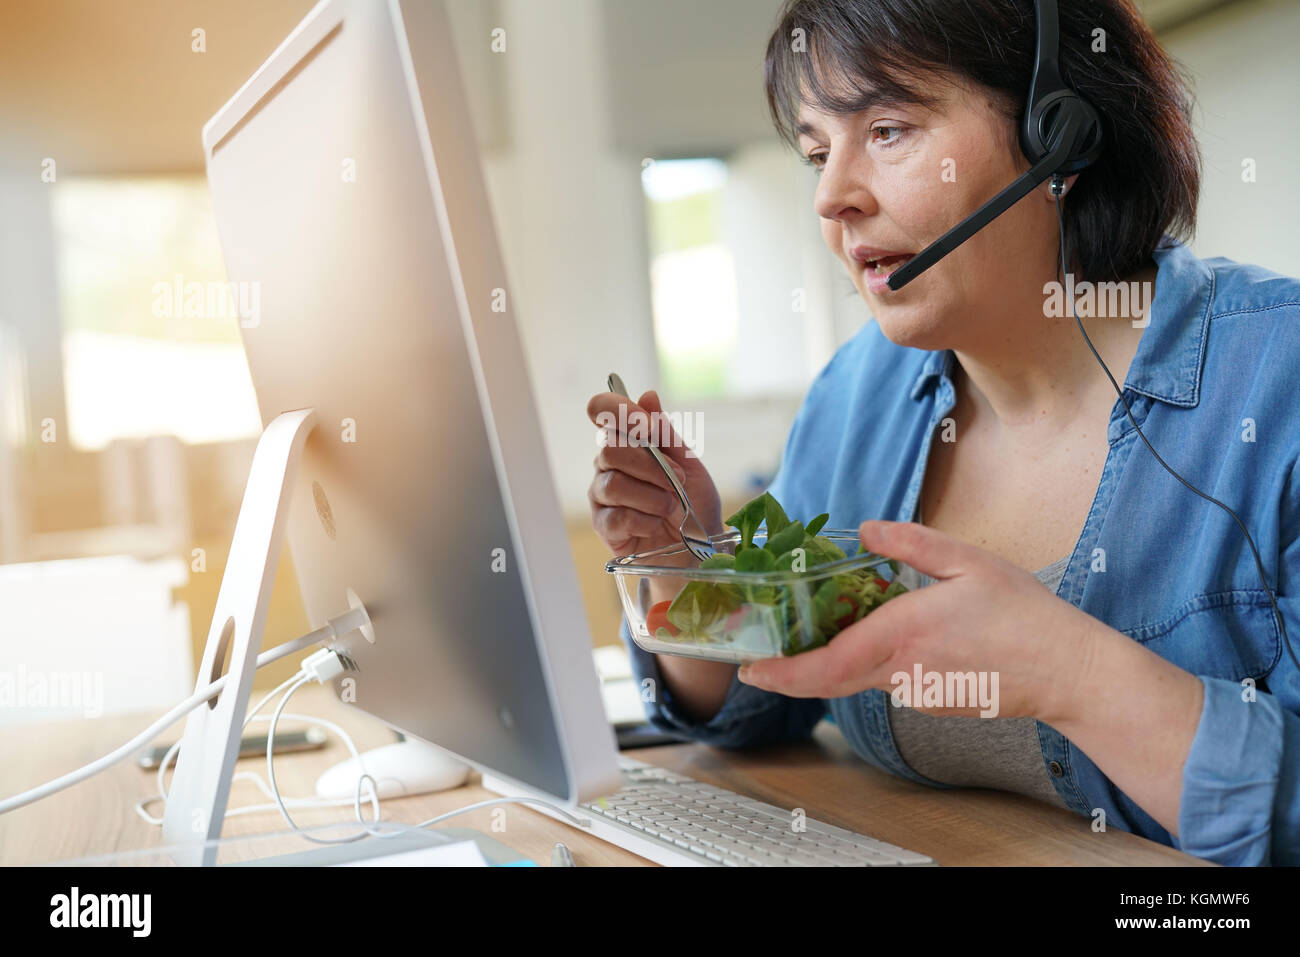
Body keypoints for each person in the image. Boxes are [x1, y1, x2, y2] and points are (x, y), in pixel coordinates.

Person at [586, 0, 1300, 866]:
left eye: (887, 130)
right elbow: (761, 708)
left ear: (1057, 137)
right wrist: (691, 574)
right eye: (817, 150)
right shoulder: (858, 395)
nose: (831, 196)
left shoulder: (1277, 377)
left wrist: (1066, 669)